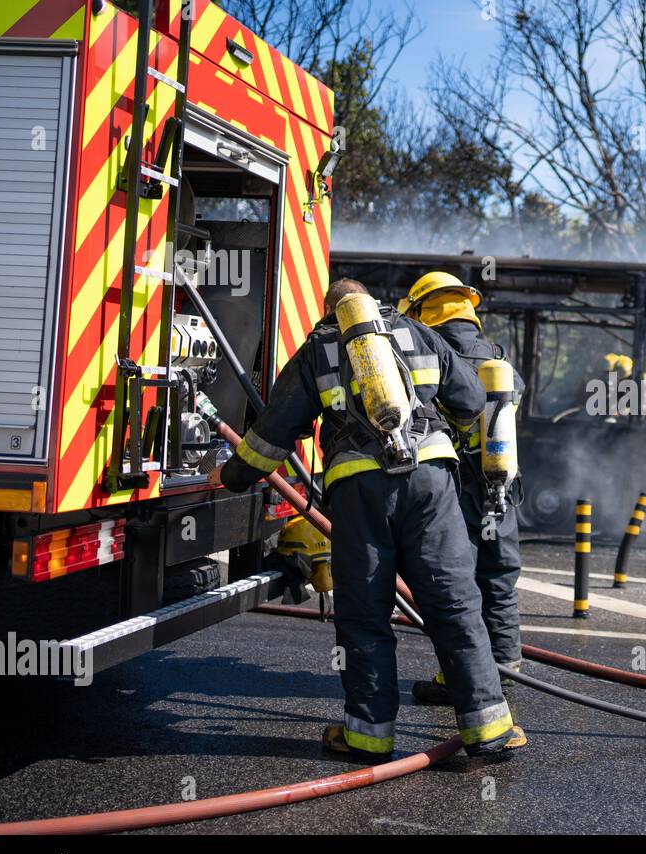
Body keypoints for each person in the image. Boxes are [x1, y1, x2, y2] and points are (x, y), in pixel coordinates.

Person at [209, 278, 524, 761]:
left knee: (365, 614)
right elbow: (470, 401)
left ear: (331, 311)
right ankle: (489, 731)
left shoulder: (321, 348)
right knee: (454, 601)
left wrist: (231, 476)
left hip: (360, 492)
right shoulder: (419, 333)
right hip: (431, 485)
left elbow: (274, 434)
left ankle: (369, 737)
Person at [394, 271, 527, 707]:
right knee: (500, 577)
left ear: (421, 309)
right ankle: (504, 670)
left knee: (457, 586)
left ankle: (458, 680)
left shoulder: (430, 351)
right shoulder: (498, 357)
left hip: (455, 485)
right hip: (502, 484)